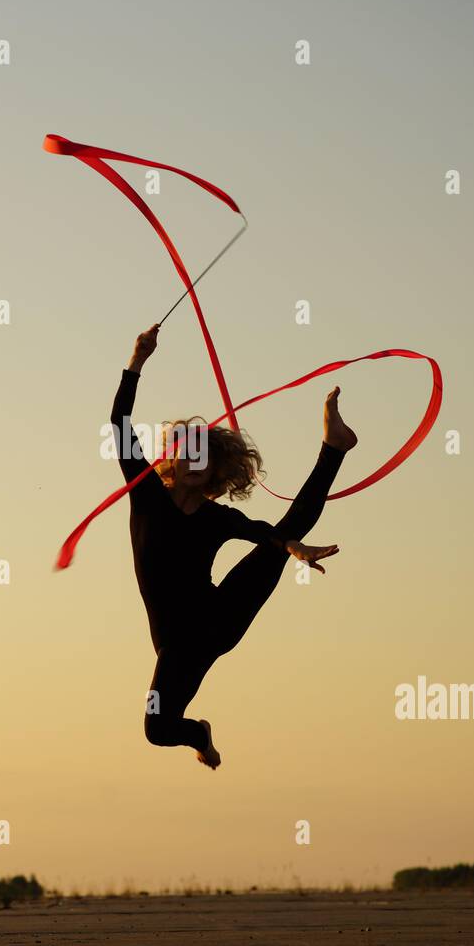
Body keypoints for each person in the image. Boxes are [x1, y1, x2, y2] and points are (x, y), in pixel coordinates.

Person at [110, 323, 357, 770]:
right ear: (172, 455)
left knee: (280, 536)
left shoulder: (215, 518)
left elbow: (264, 531)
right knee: (158, 729)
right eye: (187, 450)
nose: (191, 460)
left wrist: (294, 549)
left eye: (202, 458)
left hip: (218, 621)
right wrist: (138, 360)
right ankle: (200, 734)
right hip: (173, 644)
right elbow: (120, 424)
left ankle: (334, 447)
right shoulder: (146, 494)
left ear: (213, 474)